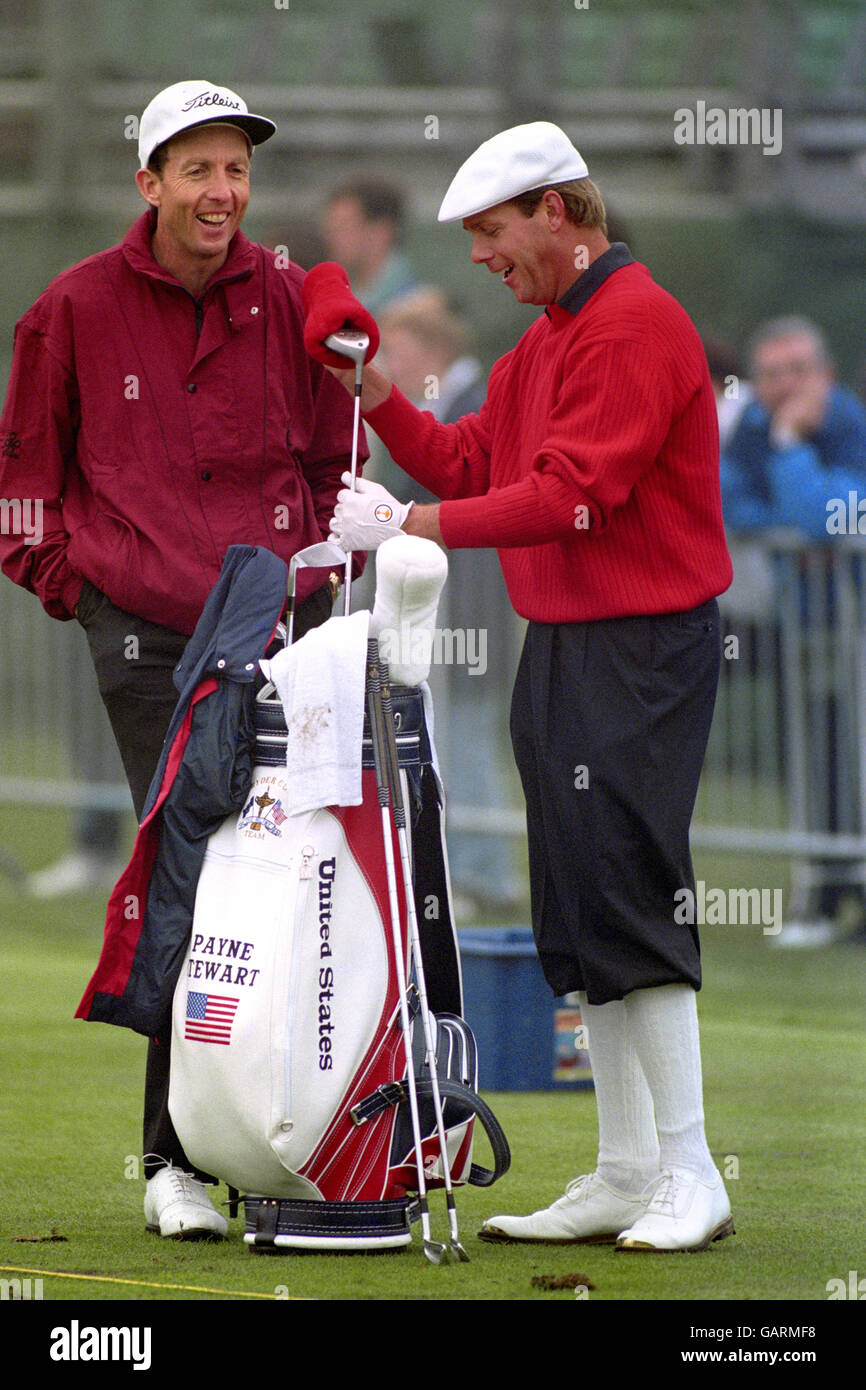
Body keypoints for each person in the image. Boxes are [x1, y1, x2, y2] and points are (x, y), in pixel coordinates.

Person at [308, 121, 736, 1252]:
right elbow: (464, 459)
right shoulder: (541, 342)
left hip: (641, 646)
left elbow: (568, 492)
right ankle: (625, 1166)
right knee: (578, 907)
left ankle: (690, 1169)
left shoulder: (636, 324)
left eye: (491, 233)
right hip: (569, 646)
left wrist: (405, 521)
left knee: (632, 889)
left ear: (557, 209)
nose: (479, 258)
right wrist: (370, 389)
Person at [0, 80, 367, 1239]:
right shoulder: (71, 306)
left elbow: (323, 455)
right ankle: (170, 1162)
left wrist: (307, 569)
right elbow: (20, 493)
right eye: (199, 170)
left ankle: (274, 1133)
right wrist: (83, 589)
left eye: (237, 172)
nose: (223, 192)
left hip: (281, 627)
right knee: (194, 874)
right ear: (149, 182)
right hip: (147, 634)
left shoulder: (293, 296)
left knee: (291, 870)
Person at [378, 289, 523, 914]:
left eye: (399, 349)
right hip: (453, 602)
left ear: (435, 347)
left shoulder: (468, 404)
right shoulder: (447, 400)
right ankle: (472, 869)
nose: (390, 363)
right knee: (453, 736)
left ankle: (483, 874)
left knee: (463, 739)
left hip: (471, 605)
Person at [321, 178, 418, 317]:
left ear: (381, 232)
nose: (329, 238)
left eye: (342, 227)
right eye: (329, 228)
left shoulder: (414, 309)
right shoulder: (339, 296)